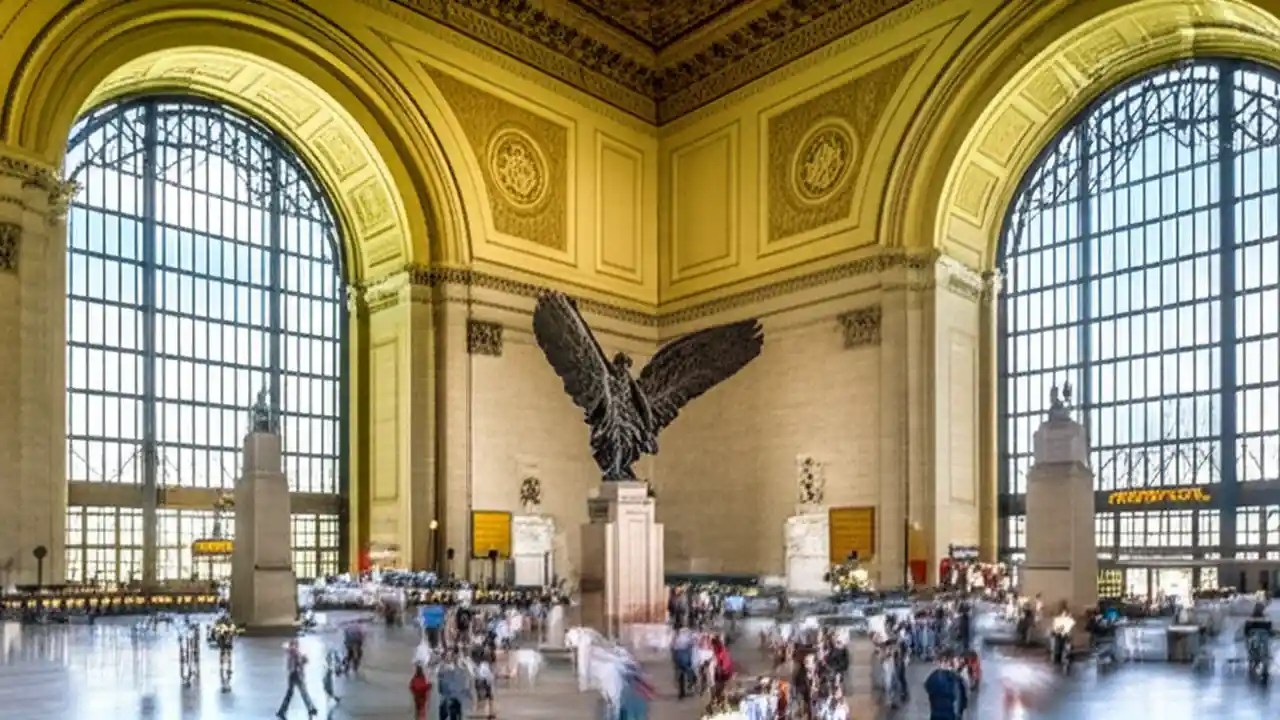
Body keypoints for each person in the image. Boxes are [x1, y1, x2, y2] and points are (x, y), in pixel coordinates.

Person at [276, 639, 318, 718]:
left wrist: (301, 661)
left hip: (295, 675)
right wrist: (301, 661)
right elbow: (298, 663)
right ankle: (311, 708)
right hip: (295, 675)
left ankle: (282, 711)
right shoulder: (294, 653)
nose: (293, 647)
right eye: (292, 645)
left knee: (297, 693)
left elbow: (302, 662)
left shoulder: (295, 653)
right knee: (301, 692)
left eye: (294, 645)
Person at [923, 653, 967, 720]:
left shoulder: (934, 676)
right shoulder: (955, 679)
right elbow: (959, 701)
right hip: (950, 716)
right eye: (957, 661)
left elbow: (927, 687)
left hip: (936, 715)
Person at [436, 653, 472, 720]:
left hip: (452, 695)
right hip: (454, 695)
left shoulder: (450, 670)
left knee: (453, 711)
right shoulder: (455, 670)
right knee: (455, 711)